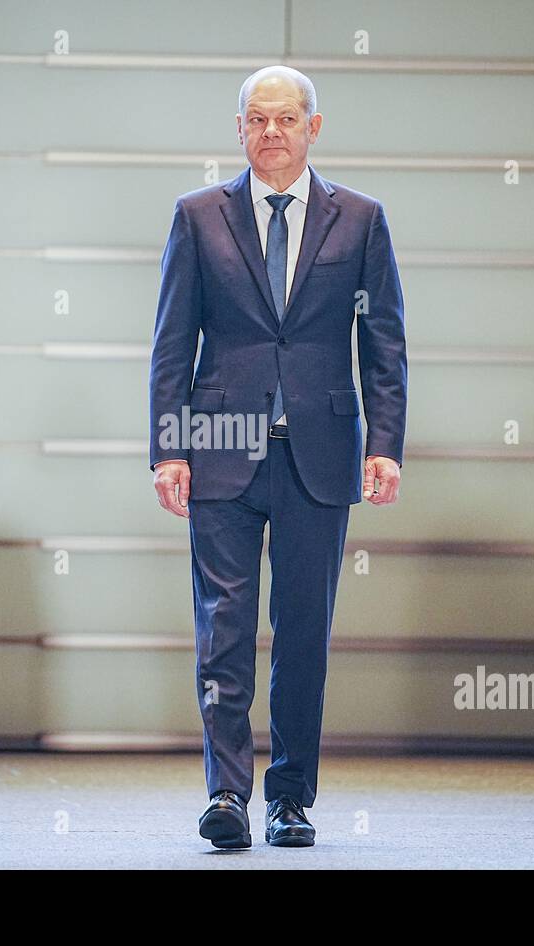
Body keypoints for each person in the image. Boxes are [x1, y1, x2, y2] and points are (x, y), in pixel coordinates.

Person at [148, 65, 407, 848]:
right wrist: (169, 447)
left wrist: (386, 445)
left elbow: (384, 340)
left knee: (303, 635)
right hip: (220, 448)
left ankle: (290, 797)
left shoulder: (360, 219)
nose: (271, 133)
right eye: (256, 120)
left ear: (313, 127)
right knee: (223, 627)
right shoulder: (199, 216)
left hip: (321, 453)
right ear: (239, 130)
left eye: (286, 120)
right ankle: (227, 793)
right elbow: (171, 341)